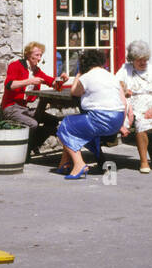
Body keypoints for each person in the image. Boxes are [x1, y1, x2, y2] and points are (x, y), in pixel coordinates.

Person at [55, 49, 131, 180]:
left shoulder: (87, 77)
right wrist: (121, 125)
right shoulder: (112, 77)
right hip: (117, 120)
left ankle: (79, 164)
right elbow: (123, 103)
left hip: (100, 119)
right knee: (77, 127)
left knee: (66, 125)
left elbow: (74, 92)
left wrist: (78, 75)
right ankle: (65, 163)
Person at [0, 41, 66, 156]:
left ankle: (33, 144)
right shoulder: (15, 65)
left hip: (24, 108)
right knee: (33, 124)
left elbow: (53, 83)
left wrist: (61, 80)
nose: (39, 58)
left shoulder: (36, 71)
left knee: (53, 120)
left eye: (40, 55)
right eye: (37, 55)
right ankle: (24, 153)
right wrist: (30, 81)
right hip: (11, 107)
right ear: (28, 55)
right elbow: (9, 85)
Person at [116, 40, 152, 174]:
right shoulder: (126, 69)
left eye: (145, 60)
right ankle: (144, 161)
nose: (143, 63)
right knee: (141, 126)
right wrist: (124, 91)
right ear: (132, 59)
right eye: (139, 60)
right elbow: (115, 83)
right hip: (136, 105)